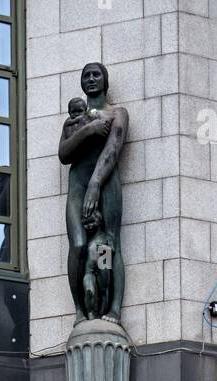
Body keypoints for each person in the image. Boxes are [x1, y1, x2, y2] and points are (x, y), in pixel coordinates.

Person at [58, 63, 128, 323]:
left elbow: (113, 148)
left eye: (96, 75)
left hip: (106, 183)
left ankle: (110, 306)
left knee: (109, 244)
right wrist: (89, 129)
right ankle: (80, 309)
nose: (91, 79)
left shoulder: (116, 113)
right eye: (86, 76)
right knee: (77, 244)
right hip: (78, 184)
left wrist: (96, 184)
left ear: (105, 81)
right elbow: (64, 153)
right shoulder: (74, 119)